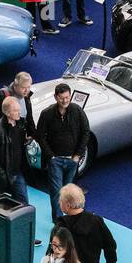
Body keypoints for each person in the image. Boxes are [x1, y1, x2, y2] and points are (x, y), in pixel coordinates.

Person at [56, 184, 117, 263]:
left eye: (60, 200)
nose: (58, 202)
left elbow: (54, 253)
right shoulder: (97, 221)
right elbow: (110, 245)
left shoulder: (61, 227)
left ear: (67, 205)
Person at [36, 84, 90, 223]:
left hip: (72, 159)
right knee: (56, 192)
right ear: (55, 97)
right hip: (56, 161)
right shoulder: (47, 113)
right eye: (62, 98)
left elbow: (85, 132)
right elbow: (40, 136)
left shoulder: (77, 111)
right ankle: (58, 220)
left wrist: (77, 155)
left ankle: (70, 216)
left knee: (70, 191)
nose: (65, 101)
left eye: (67, 97)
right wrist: (51, 157)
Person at [0, 96, 31, 203]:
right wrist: (0, 172)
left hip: (17, 173)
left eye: (19, 109)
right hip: (1, 176)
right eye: (15, 110)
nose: (19, 112)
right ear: (7, 113)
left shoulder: (20, 123)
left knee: (23, 204)